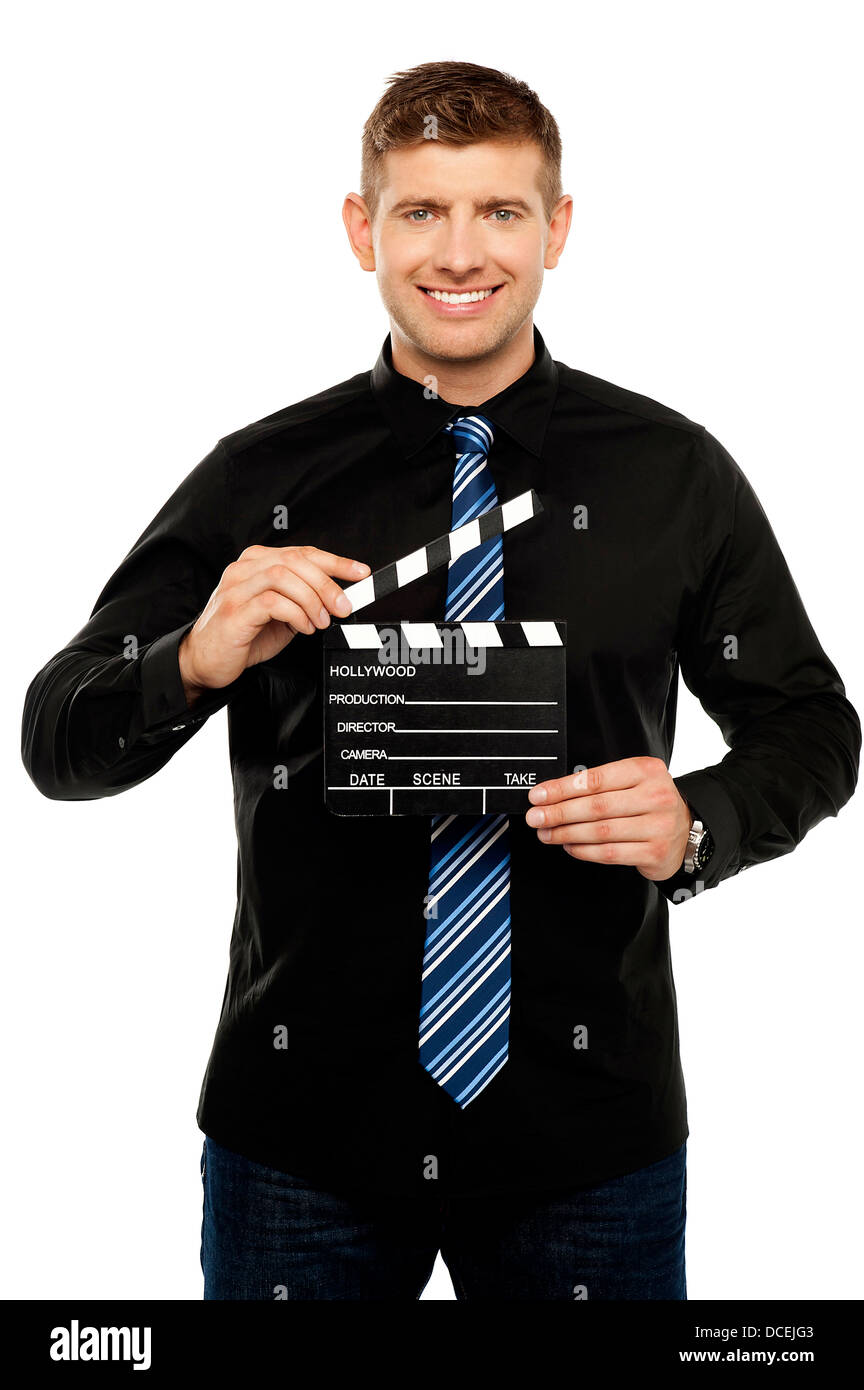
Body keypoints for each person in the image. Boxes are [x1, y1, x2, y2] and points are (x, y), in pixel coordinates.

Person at [21, 60, 860, 1301]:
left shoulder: (674, 475)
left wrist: (701, 821)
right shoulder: (260, 474)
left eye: (500, 212)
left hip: (589, 1139)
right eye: (420, 211)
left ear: (556, 228)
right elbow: (57, 739)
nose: (460, 252)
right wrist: (193, 656)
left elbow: (813, 727)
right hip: (302, 1139)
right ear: (362, 229)